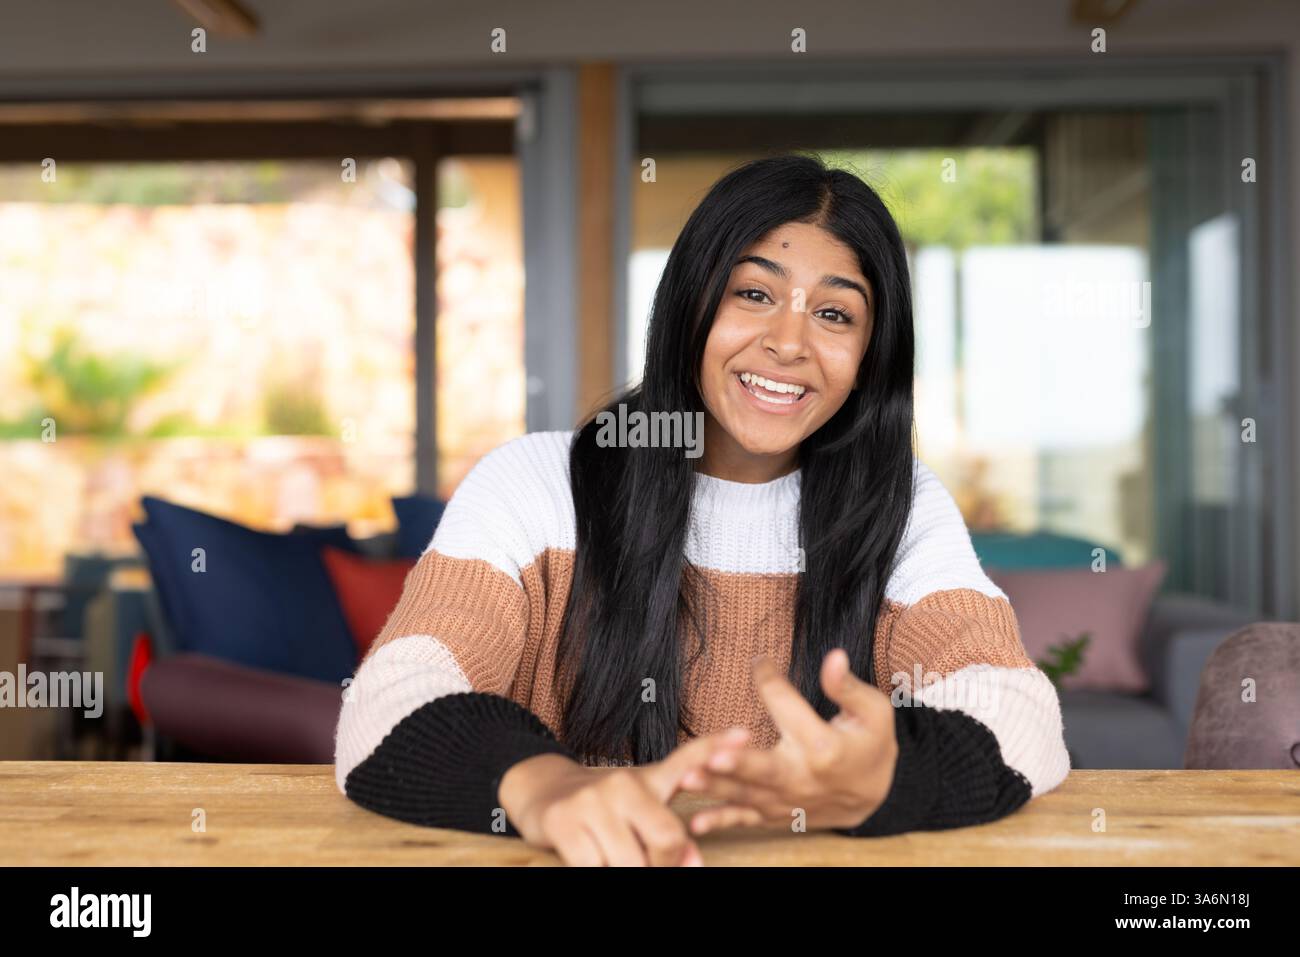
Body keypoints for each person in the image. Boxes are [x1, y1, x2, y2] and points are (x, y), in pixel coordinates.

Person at [334, 152, 1070, 866]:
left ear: (871, 355)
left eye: (835, 313)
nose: (788, 342)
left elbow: (1021, 711)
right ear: (690, 305)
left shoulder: (899, 507)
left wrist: (891, 777)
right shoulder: (536, 483)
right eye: (753, 293)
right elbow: (392, 696)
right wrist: (544, 787)